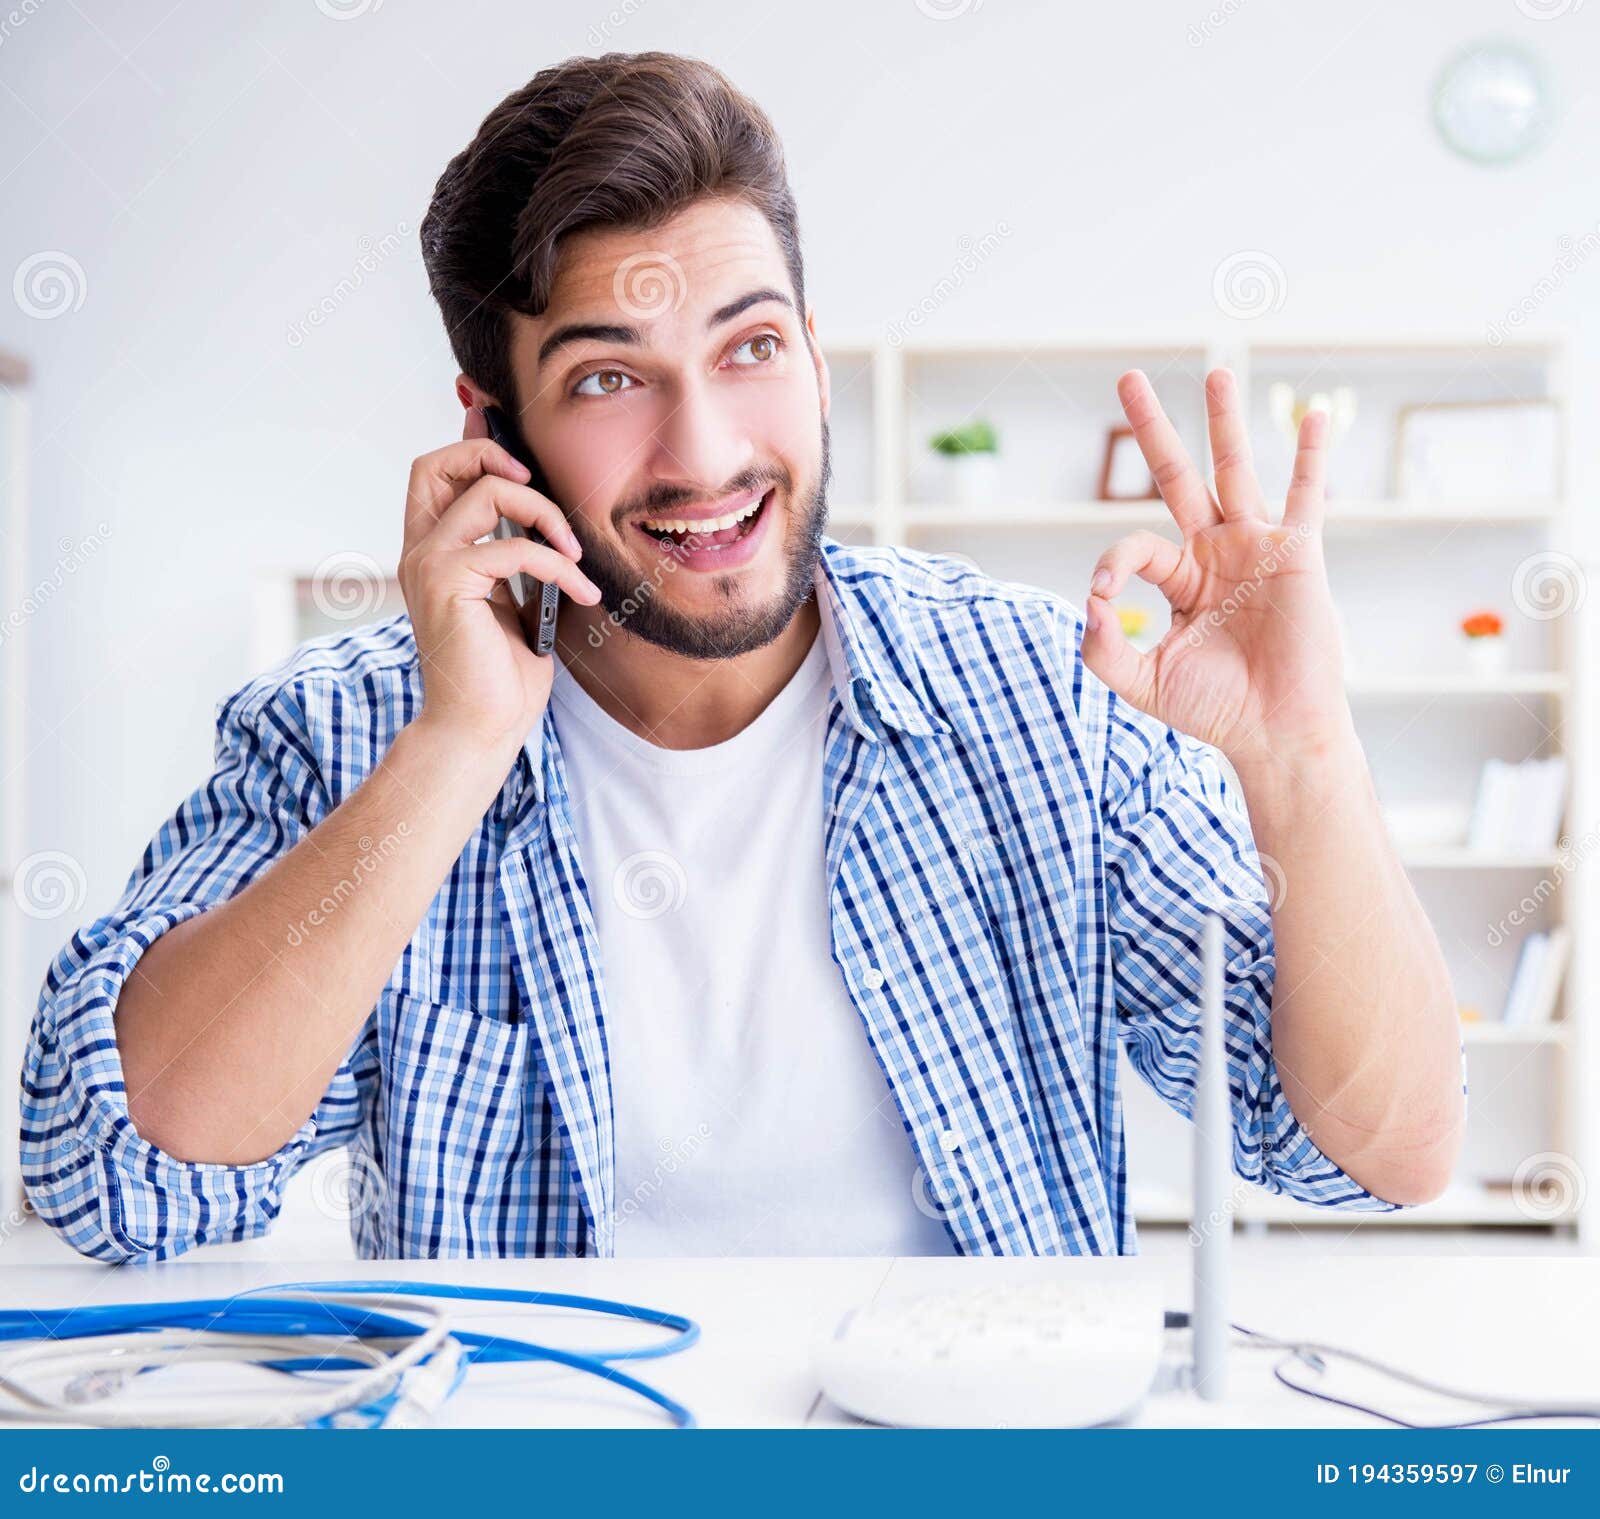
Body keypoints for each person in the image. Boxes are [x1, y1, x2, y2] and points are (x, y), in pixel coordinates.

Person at [22, 52, 1462, 1264]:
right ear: (492, 427)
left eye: (749, 347)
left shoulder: (1044, 699)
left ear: (816, 359)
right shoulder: (347, 737)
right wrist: (454, 753)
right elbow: (114, 1180)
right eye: (605, 379)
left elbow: (1378, 1154)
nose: (704, 452)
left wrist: (1307, 760)